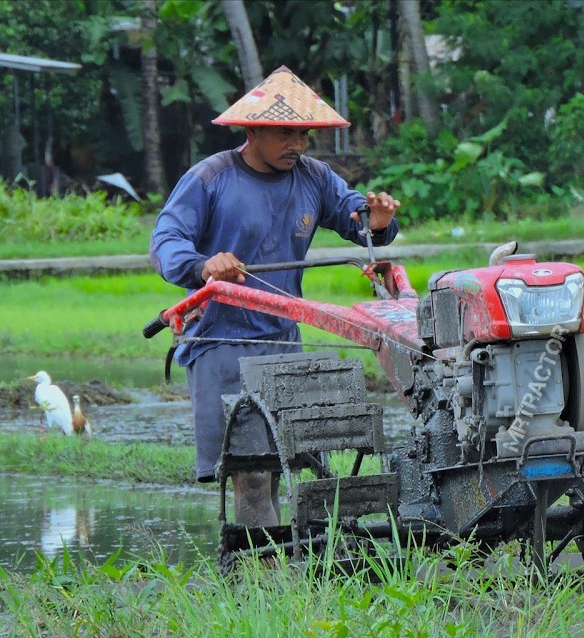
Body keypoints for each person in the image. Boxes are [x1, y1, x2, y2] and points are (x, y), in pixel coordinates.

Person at [149, 66, 400, 528]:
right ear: (252, 130)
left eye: (303, 135)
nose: (297, 145)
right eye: (286, 134)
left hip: (283, 340)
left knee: (288, 464)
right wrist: (205, 265)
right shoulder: (210, 178)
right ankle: (263, 576)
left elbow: (355, 216)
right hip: (222, 341)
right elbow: (165, 243)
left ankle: (280, 566)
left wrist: (377, 221)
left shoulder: (314, 177)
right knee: (251, 474)